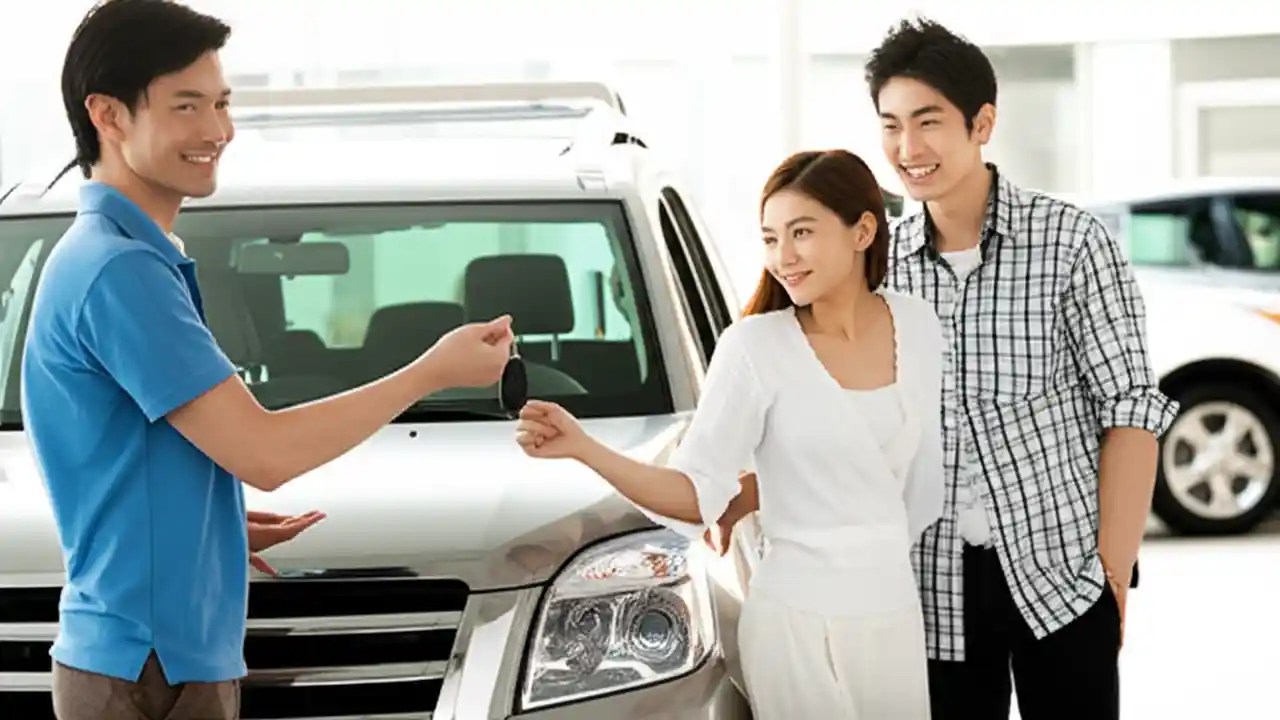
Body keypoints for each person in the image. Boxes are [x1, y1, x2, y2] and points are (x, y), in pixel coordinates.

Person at [20, 2, 513, 718]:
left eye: (221, 103)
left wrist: (204, 518)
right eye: (186, 105)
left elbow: (119, 452)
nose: (217, 131)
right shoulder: (121, 270)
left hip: (148, 657)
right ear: (110, 115)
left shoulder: (112, 257)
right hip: (149, 668)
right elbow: (264, 451)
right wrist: (431, 372)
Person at [711, 16, 1179, 720]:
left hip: (1061, 576)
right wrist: (747, 489)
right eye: (890, 125)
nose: (908, 148)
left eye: (927, 122)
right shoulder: (877, 261)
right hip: (928, 591)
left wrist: (1111, 572)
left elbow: (1130, 414)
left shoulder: (1072, 244)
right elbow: (830, 410)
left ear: (982, 122)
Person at [514, 149, 945, 719]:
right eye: (770, 239)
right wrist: (584, 448)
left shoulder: (917, 326)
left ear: (863, 230)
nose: (782, 257)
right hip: (797, 621)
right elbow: (694, 494)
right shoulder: (754, 348)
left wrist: (761, 489)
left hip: (892, 614)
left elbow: (889, 473)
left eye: (801, 233)